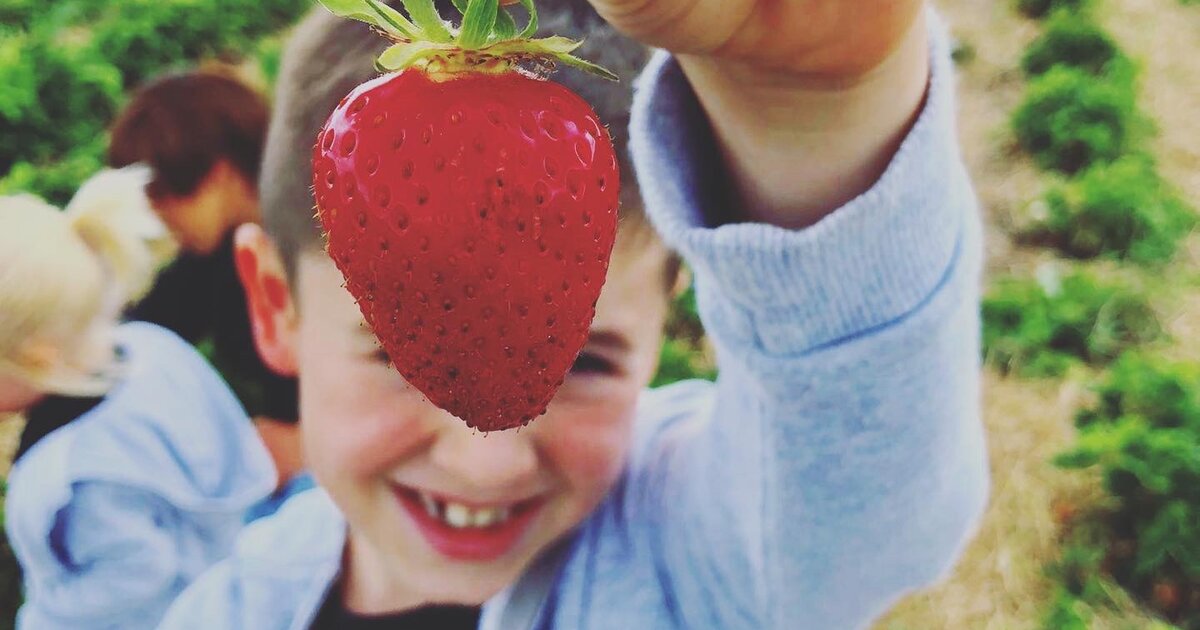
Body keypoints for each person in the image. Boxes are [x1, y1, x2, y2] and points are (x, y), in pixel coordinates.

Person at [160, 0, 989, 628]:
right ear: (275, 306)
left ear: (669, 310)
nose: (487, 460)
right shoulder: (233, 605)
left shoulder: (687, 550)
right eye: (399, 357)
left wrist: (817, 102)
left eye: (585, 362)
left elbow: (866, 513)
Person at [0, 167, 276, 629]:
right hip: (248, 562)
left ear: (36, 357)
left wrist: (43, 615)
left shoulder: (81, 479)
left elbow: (140, 574)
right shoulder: (150, 348)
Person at [106, 71, 306, 494]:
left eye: (163, 196)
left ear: (220, 175)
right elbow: (137, 332)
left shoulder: (314, 239)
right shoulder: (213, 259)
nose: (158, 216)